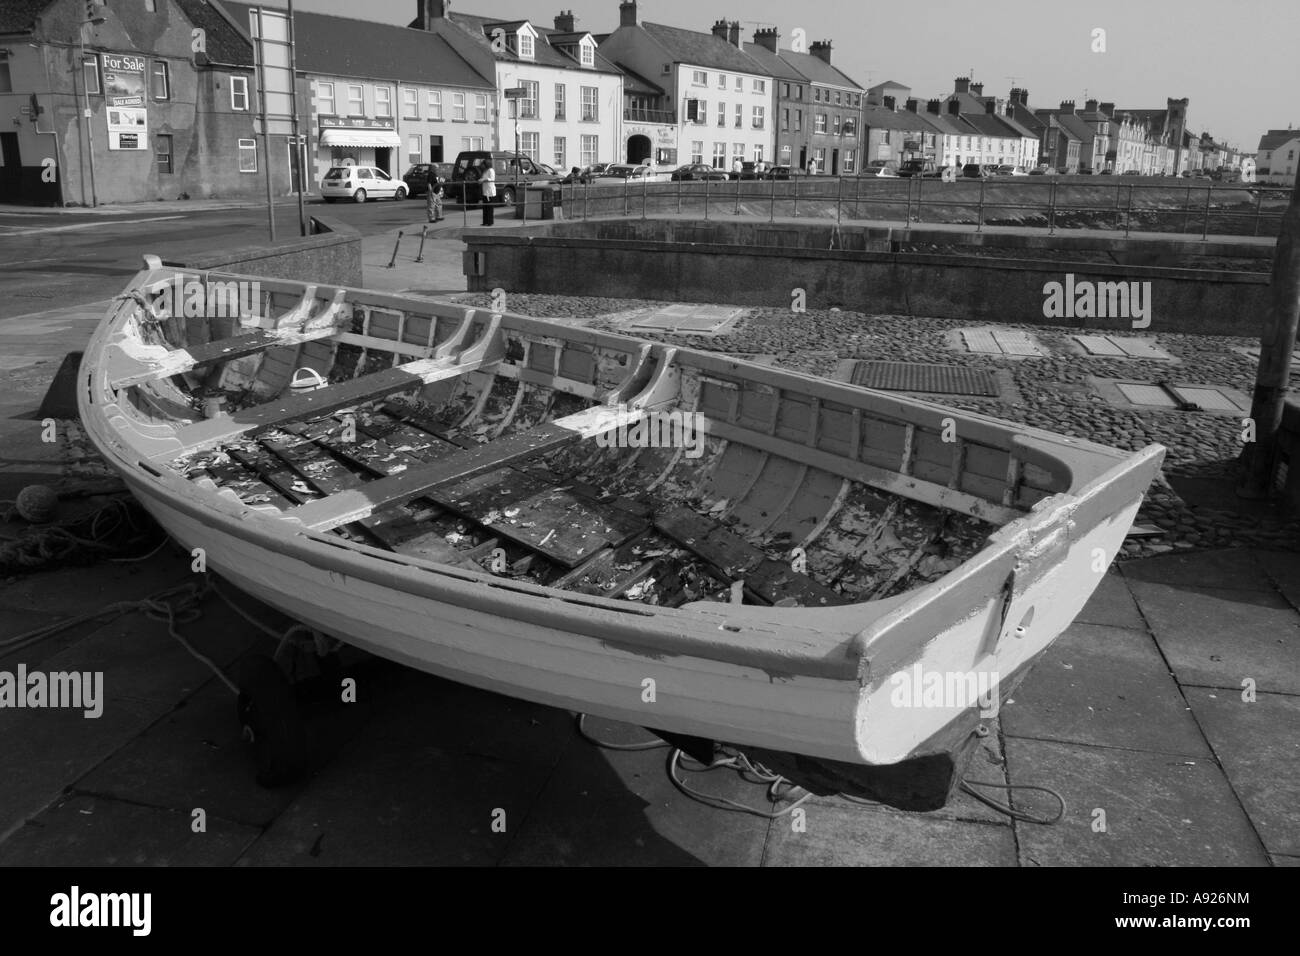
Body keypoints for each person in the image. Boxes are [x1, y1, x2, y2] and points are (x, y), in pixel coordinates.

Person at [480, 161, 497, 226]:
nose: (482, 166)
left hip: (490, 192)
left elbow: (491, 179)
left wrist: (483, 180)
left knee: (489, 208)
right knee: (485, 208)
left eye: (483, 165)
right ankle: (485, 221)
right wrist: (481, 180)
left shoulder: (491, 170)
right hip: (485, 191)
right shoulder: (485, 171)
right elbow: (484, 178)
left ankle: (490, 222)